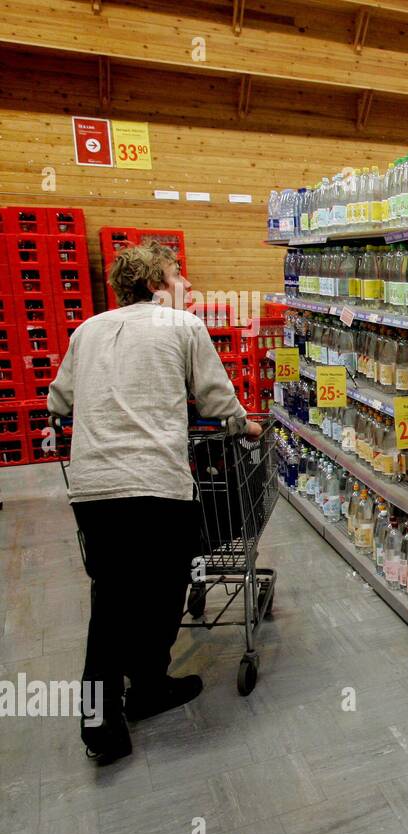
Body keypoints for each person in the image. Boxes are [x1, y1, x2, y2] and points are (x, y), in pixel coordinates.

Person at [47, 241, 262, 765]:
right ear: (156, 286)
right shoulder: (183, 327)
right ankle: (146, 685)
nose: (186, 283)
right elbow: (217, 401)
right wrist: (245, 425)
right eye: (177, 275)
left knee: (111, 598)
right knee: (169, 582)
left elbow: (59, 401)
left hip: (94, 489)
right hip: (155, 485)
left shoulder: (87, 330)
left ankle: (101, 720)